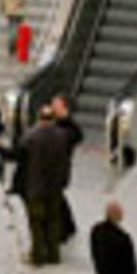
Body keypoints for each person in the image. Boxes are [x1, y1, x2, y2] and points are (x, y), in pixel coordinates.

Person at [15, 107, 71, 267]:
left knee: (36, 222)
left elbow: (19, 155)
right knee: (53, 220)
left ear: (39, 119)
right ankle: (54, 254)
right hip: (55, 185)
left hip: (36, 186)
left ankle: (38, 255)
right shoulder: (63, 136)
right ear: (53, 119)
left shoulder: (30, 136)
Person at [50, 96, 85, 244]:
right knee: (58, 197)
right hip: (53, 165)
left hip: (60, 167)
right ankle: (69, 226)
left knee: (56, 197)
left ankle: (62, 231)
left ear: (65, 108)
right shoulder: (53, 122)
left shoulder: (70, 127)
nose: (52, 108)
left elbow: (76, 138)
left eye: (56, 106)